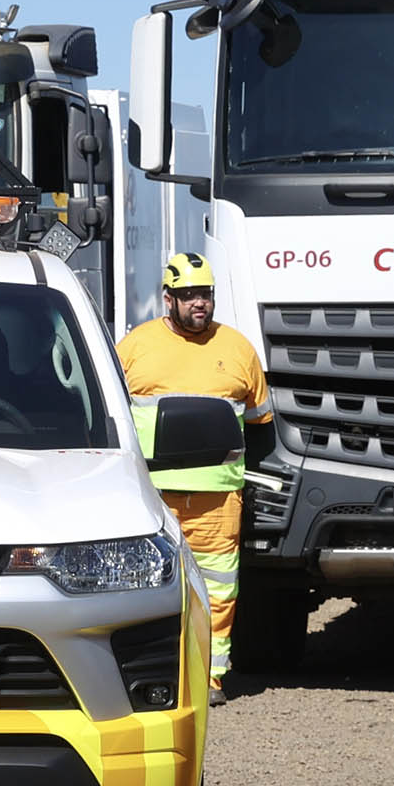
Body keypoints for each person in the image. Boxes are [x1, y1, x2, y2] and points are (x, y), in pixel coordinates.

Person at [114, 253, 270, 702]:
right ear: (168, 299)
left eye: (205, 294)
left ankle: (210, 678)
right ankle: (145, 675)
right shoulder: (135, 347)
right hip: (151, 495)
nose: (199, 303)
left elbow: (260, 424)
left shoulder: (238, 349)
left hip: (217, 501)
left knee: (217, 590)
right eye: (188, 295)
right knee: (142, 586)